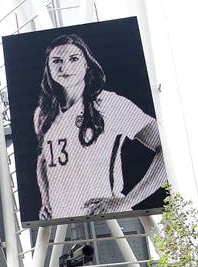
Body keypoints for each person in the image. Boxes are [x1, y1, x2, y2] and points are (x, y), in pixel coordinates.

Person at [27, 33, 164, 222]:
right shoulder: (42, 113)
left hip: (107, 221)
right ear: (48, 68)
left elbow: (165, 147)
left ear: (86, 64)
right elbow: (43, 159)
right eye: (56, 61)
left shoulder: (110, 103)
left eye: (73, 59)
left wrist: (126, 201)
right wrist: (46, 201)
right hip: (62, 222)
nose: (64, 67)